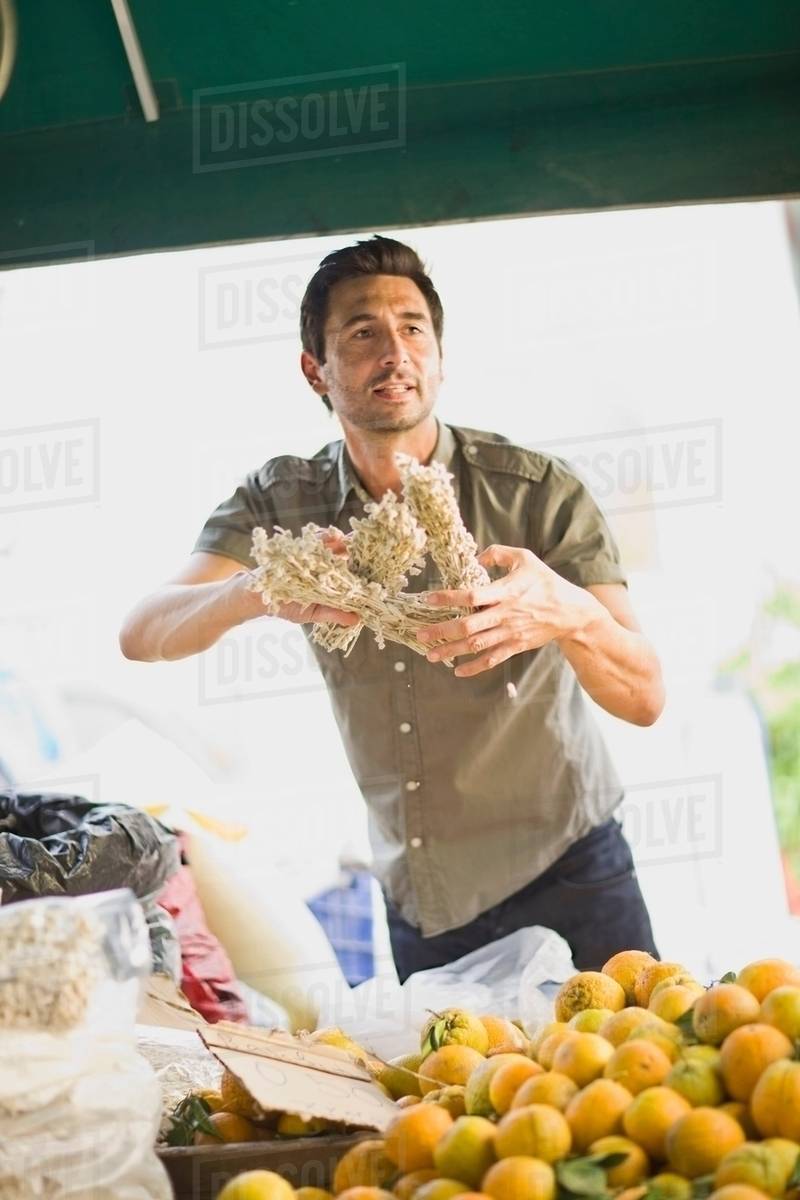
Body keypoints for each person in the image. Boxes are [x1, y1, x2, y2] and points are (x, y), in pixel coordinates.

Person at [120, 235, 664, 982]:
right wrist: (259, 588)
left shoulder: (536, 492)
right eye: (362, 333)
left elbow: (643, 697)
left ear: (439, 355)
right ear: (316, 368)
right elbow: (143, 634)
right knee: (459, 1098)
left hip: (572, 872)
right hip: (424, 903)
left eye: (413, 328)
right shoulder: (283, 501)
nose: (395, 351)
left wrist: (571, 614)